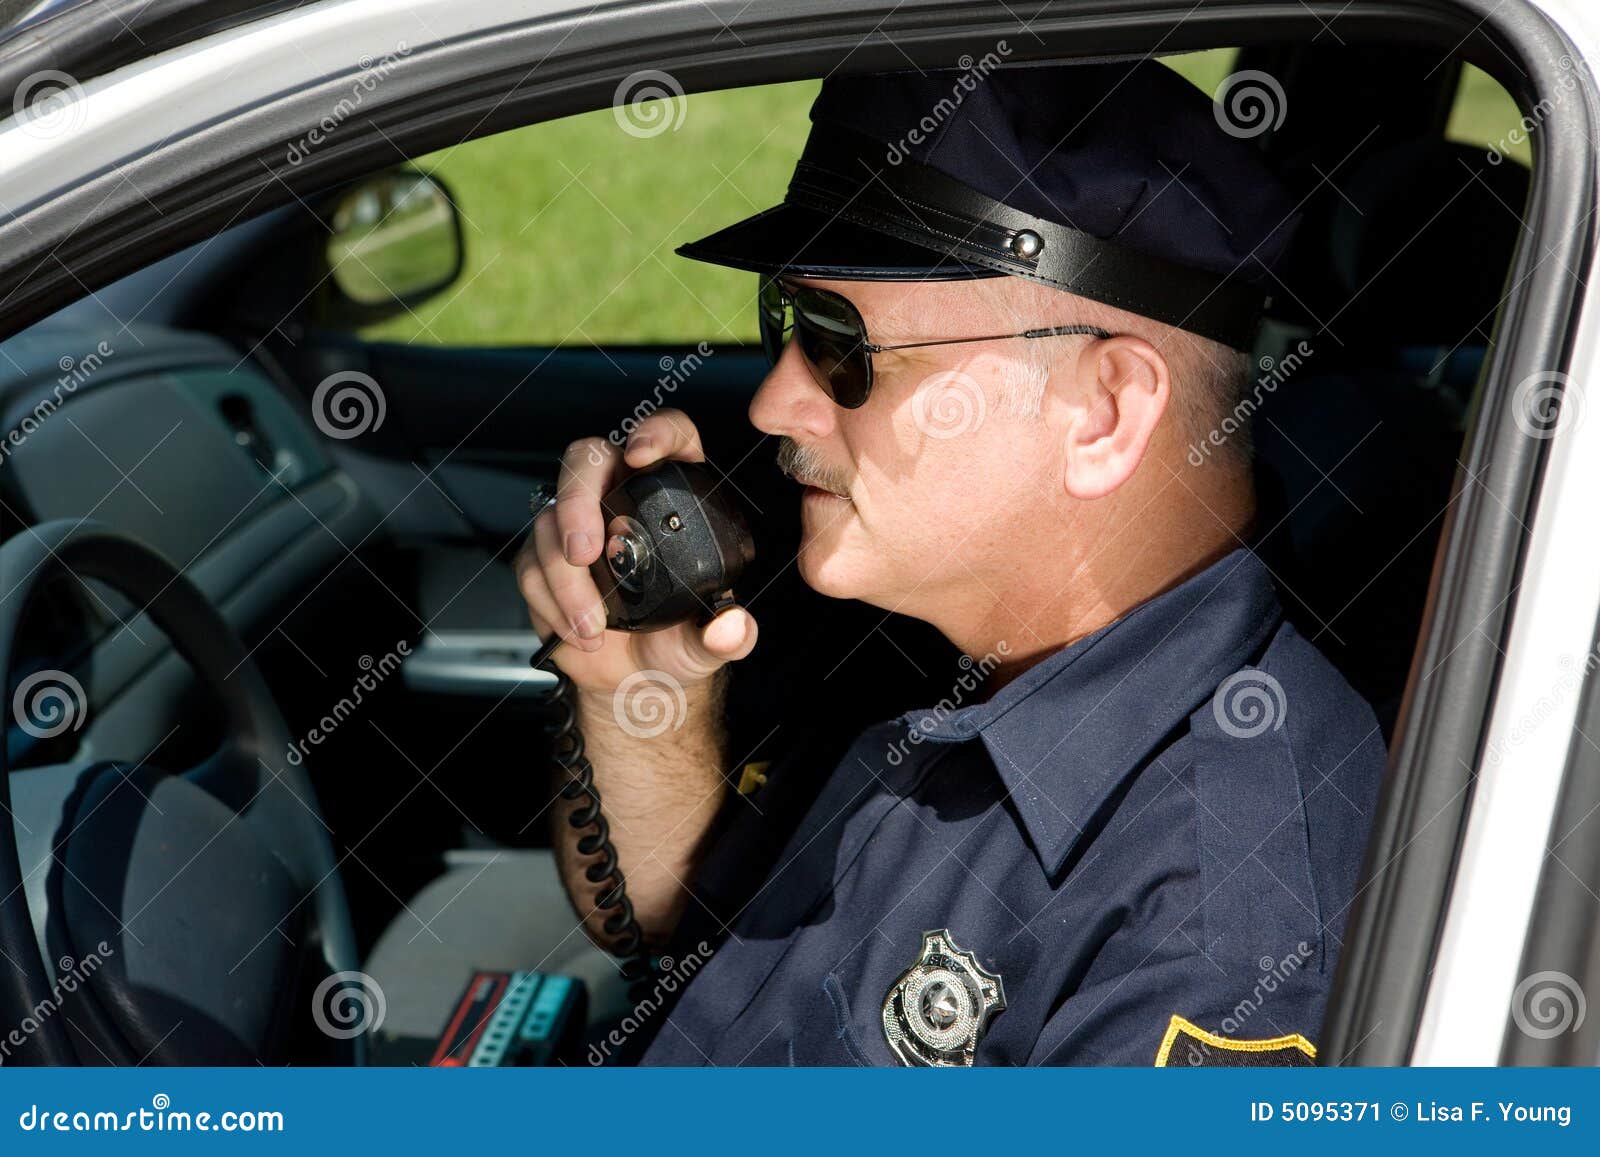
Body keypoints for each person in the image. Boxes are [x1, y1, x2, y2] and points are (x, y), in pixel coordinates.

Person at [514, 59, 1385, 1066]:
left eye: (843, 348)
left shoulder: (1220, 925)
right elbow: (683, 924)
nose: (772, 403)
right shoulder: (909, 607)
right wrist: (636, 699)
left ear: (1102, 413)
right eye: (790, 320)